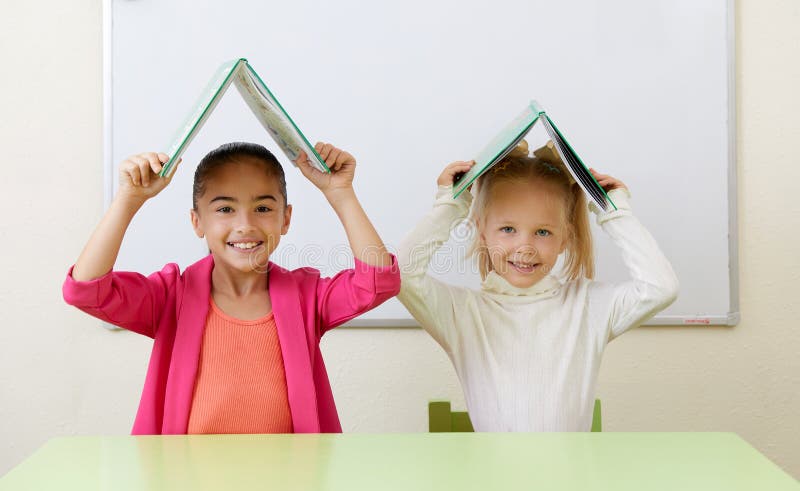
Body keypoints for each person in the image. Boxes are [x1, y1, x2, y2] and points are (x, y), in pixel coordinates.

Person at [63, 141, 400, 434]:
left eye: (263, 209)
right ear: (197, 222)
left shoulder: (306, 297)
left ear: (285, 219)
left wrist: (340, 193)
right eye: (225, 209)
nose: (245, 225)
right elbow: (85, 289)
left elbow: (378, 283)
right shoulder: (170, 297)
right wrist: (128, 199)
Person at [397, 141, 678, 431]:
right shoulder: (463, 313)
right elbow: (401, 274)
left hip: (570, 476)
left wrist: (615, 213)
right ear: (482, 233)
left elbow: (661, 288)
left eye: (542, 232)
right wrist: (449, 206)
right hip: (492, 476)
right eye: (508, 230)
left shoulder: (587, 306)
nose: (525, 247)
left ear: (565, 239)